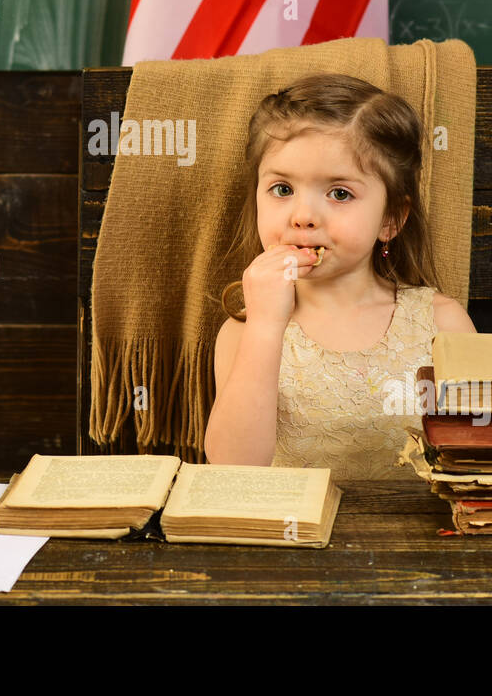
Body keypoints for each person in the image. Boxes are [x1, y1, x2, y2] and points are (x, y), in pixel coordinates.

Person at [203, 73, 476, 479]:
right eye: (281, 189)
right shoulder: (244, 331)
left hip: (414, 539)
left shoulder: (441, 323)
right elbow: (233, 468)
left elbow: (483, 452)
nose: (303, 216)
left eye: (340, 194)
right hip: (290, 534)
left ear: (390, 219)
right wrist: (266, 326)